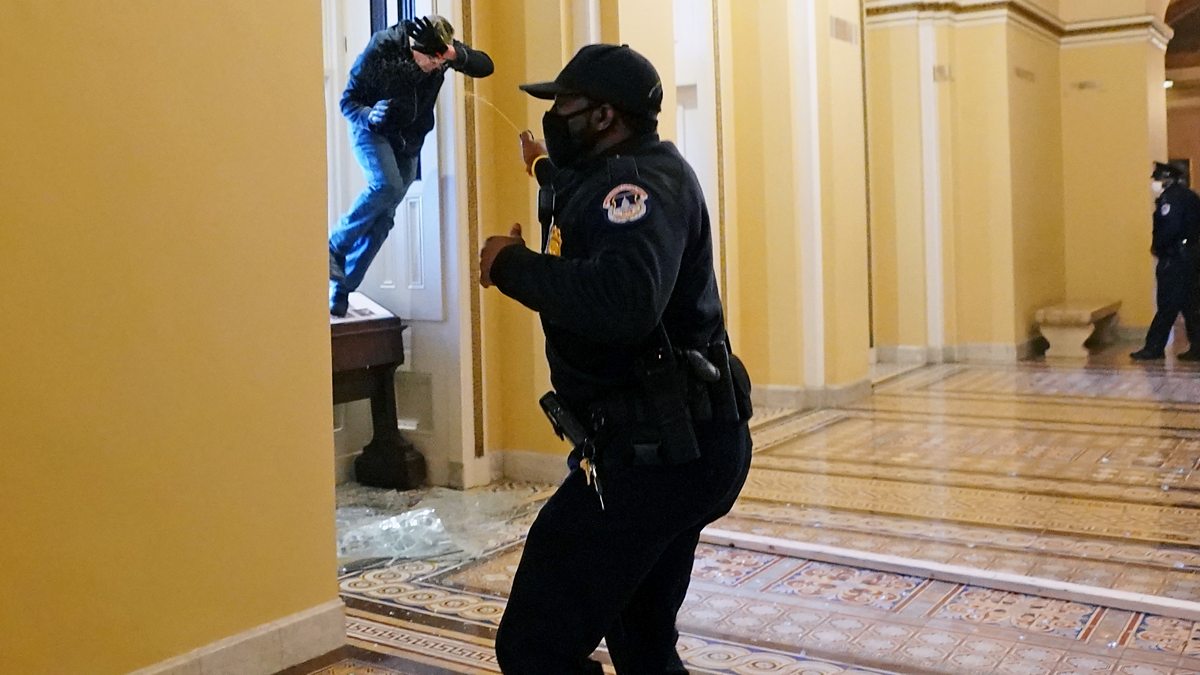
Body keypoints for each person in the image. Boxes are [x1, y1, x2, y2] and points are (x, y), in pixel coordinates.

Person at [478, 44, 754, 674]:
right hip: (685, 444)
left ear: (603, 117)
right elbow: (593, 200)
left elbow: (625, 300)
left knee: (534, 646)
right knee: (644, 640)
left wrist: (511, 265)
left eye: (564, 106)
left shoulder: (635, 186)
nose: (553, 115)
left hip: (655, 456)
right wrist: (545, 168)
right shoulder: (635, 169)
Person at [329, 15, 493, 316]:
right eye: (428, 59)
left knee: (384, 218)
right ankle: (334, 245)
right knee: (387, 185)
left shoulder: (443, 54)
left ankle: (342, 287)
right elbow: (347, 102)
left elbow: (486, 66)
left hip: (409, 140)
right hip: (373, 129)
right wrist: (369, 116)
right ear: (411, 46)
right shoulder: (384, 46)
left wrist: (452, 54)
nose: (434, 66)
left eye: (439, 61)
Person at [1132, 162, 1200, 361]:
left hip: (1175, 258)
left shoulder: (1170, 198)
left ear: (1167, 178)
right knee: (1191, 304)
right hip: (1192, 256)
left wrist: (1158, 248)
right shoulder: (1190, 196)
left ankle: (1153, 347)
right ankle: (1197, 347)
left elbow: (1169, 229)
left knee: (1167, 304)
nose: (1156, 183)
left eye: (1158, 179)